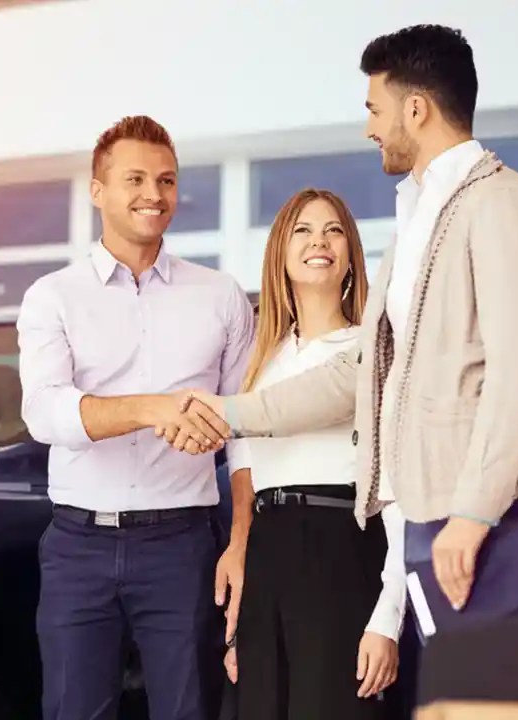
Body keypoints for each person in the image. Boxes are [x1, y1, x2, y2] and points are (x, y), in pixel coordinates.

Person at [181, 24, 518, 641]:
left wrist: (473, 514)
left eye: (374, 108)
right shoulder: (419, 220)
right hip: (431, 519)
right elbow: (361, 373)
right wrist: (229, 412)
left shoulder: (501, 203)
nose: (369, 127)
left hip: (487, 521)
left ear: (414, 109)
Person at [17, 115, 254, 720]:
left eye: (167, 180)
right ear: (98, 190)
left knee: (190, 710)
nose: (155, 193)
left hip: (183, 545)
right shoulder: (54, 296)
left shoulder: (220, 296)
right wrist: (154, 407)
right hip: (77, 546)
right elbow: (45, 411)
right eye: (137, 178)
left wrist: (243, 542)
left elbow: (248, 431)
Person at [208, 188, 405, 719]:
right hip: (269, 555)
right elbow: (246, 480)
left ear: (349, 257)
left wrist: (387, 616)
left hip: (341, 551)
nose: (319, 241)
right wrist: (241, 618)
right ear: (280, 253)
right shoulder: (259, 361)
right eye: (303, 230)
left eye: (334, 230)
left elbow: (399, 492)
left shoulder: (372, 347)